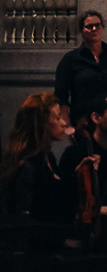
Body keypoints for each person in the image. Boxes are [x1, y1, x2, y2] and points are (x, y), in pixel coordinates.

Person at [1, 93, 80, 221]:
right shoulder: (28, 165)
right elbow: (25, 217)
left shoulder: (48, 157)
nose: (64, 123)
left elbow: (61, 200)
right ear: (42, 123)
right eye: (58, 117)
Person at [54, 10, 107, 119]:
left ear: (102, 27)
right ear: (82, 31)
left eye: (97, 25)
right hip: (83, 121)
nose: (94, 29)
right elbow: (61, 95)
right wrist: (66, 123)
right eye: (89, 26)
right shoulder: (70, 59)